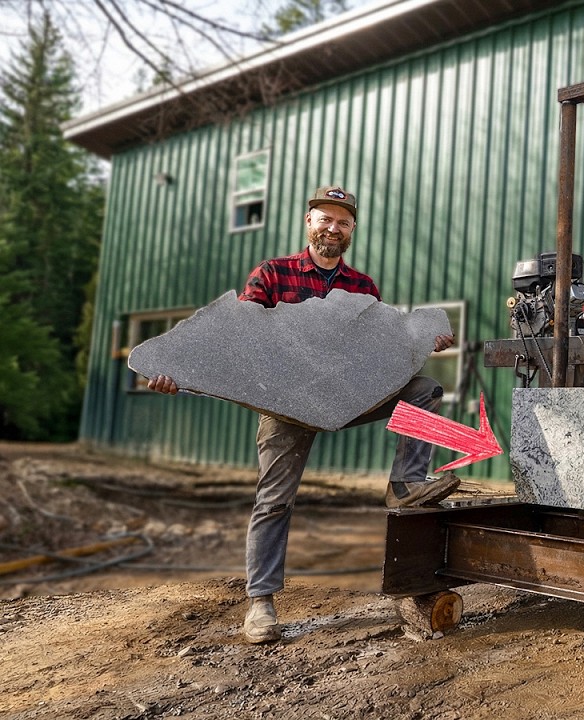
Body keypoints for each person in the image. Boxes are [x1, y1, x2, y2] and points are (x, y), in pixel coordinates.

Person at [147, 185, 458, 644]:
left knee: (425, 388)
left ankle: (405, 483)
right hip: (286, 407)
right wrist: (176, 371)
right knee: (274, 501)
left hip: (348, 400)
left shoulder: (362, 287)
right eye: (325, 218)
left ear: (352, 230)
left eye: (344, 222)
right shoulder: (272, 274)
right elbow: (234, 337)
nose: (334, 228)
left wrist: (417, 341)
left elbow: (376, 353)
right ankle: (261, 603)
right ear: (309, 221)